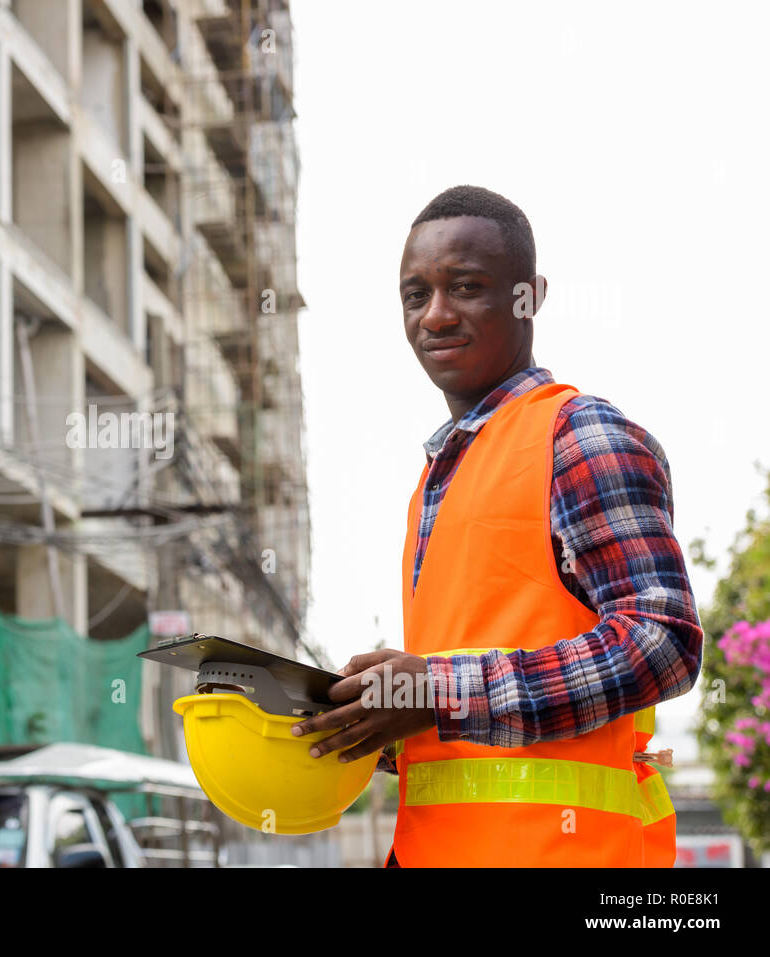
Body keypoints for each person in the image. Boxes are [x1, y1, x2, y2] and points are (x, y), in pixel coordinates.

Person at [291, 185, 703, 866]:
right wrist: (378, 720)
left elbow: (663, 643)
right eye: (415, 295)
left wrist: (436, 694)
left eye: (467, 286)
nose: (436, 315)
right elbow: (468, 713)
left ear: (528, 295)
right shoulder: (438, 476)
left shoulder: (579, 435)